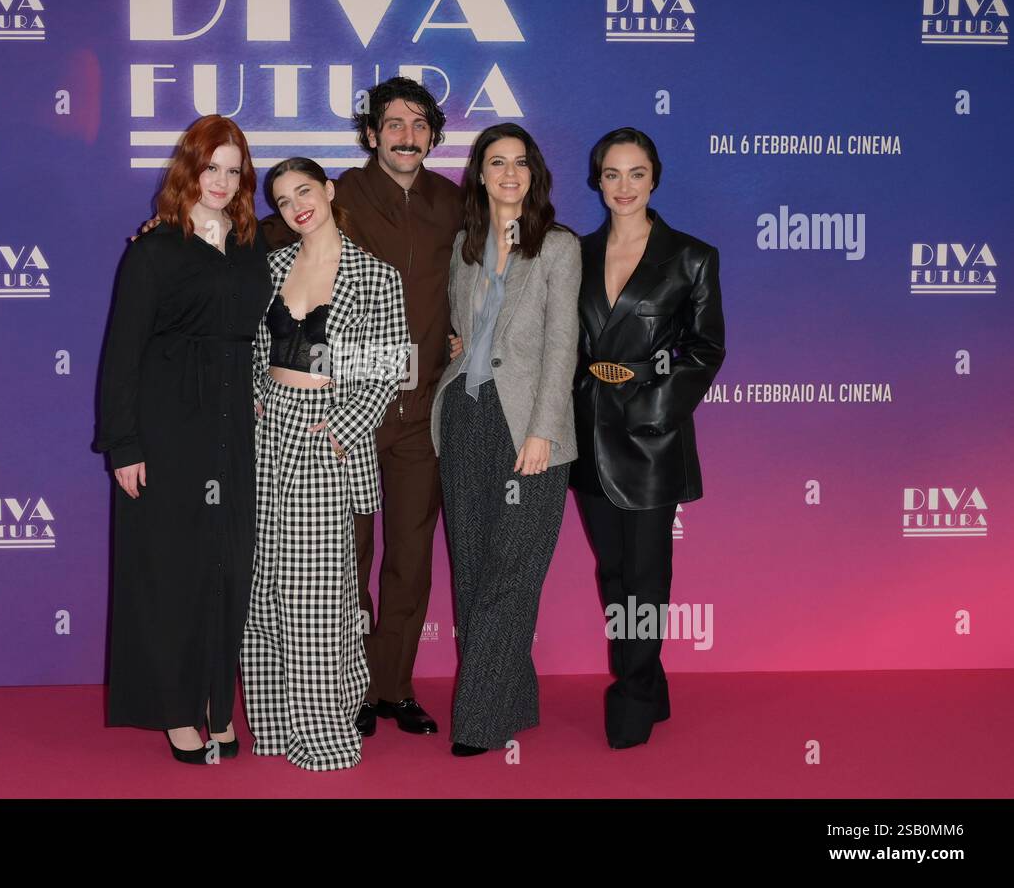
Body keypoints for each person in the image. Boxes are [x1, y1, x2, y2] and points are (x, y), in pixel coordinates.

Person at [259, 77, 462, 737]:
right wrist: (184, 228)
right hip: (345, 414)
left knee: (410, 557)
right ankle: (347, 688)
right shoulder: (339, 194)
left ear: (432, 135)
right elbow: (259, 237)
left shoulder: (454, 203)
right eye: (393, 124)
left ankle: (392, 689)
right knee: (344, 559)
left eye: (419, 124)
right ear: (371, 134)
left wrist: (467, 332)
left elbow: (500, 259)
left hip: (421, 411)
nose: (407, 136)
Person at [95, 115, 272, 764]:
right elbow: (122, 355)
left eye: (234, 170)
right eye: (210, 168)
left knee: (227, 569)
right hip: (168, 430)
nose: (221, 181)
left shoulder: (252, 243)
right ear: (188, 170)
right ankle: (176, 710)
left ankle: (216, 704)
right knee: (172, 572)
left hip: (233, 431)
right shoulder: (155, 249)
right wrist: (124, 445)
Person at [242, 157, 410, 770]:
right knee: (263, 586)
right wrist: (255, 399)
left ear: (329, 190)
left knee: (317, 592)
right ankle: (274, 725)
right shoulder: (270, 267)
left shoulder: (376, 276)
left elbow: (388, 369)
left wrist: (340, 431)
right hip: (266, 434)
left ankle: (322, 731)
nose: (296, 207)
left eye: (304, 192)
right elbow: (252, 350)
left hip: (324, 432)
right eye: (283, 200)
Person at [569, 127, 726, 749]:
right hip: (588, 432)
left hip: (652, 439)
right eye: (612, 174)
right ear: (597, 180)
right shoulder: (575, 254)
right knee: (614, 572)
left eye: (636, 173)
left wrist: (653, 408)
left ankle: (633, 696)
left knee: (646, 576)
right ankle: (651, 683)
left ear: (654, 178)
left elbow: (706, 349)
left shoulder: (691, 257)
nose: (624, 186)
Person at [431, 124, 582, 756]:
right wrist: (458, 348)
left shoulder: (558, 247)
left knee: (512, 574)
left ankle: (478, 721)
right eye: (497, 162)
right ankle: (514, 702)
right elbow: (463, 328)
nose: (510, 173)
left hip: (528, 425)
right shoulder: (465, 246)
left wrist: (544, 429)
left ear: (534, 173)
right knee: (472, 573)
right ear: (481, 174)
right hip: (465, 415)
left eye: (521, 162)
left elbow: (562, 345)